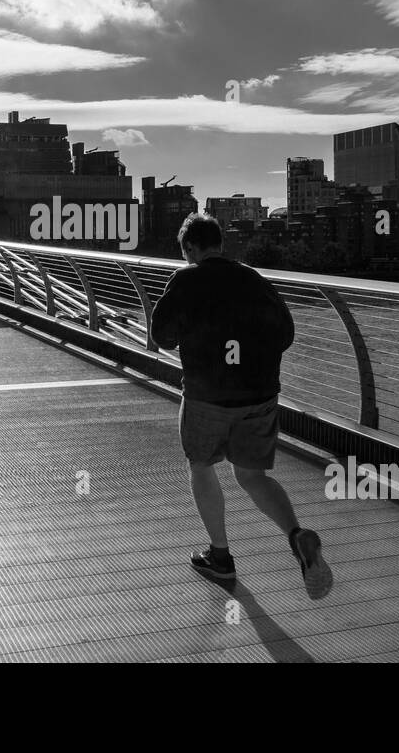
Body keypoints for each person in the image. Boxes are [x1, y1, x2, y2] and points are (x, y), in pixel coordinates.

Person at [150, 212, 333, 599]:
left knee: (201, 466)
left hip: (208, 396)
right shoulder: (254, 278)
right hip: (259, 396)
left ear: (190, 249)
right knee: (252, 476)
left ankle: (221, 557)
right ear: (220, 244)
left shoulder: (186, 278)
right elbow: (286, 334)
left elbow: (162, 337)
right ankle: (297, 535)